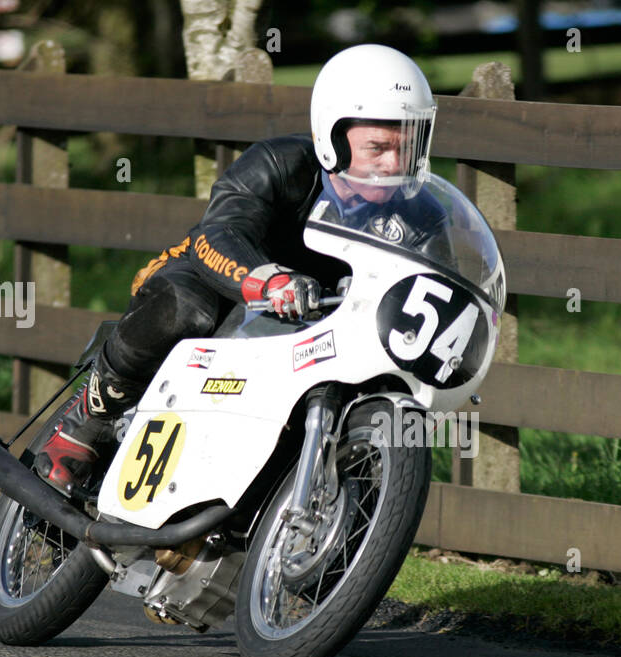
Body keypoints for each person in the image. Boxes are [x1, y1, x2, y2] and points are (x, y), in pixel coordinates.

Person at [35, 44, 441, 496]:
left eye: (406, 148)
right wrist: (271, 280)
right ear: (334, 137)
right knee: (190, 308)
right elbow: (218, 233)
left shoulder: (420, 217)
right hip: (210, 278)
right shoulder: (280, 164)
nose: (392, 164)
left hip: (315, 325)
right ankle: (88, 418)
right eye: (377, 148)